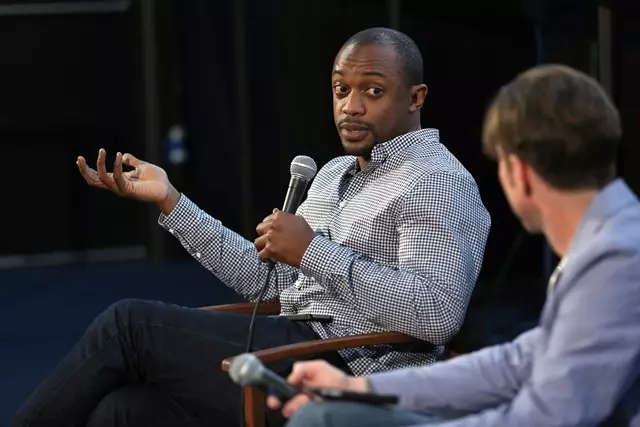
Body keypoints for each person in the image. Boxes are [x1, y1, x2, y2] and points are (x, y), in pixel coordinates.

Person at [11, 28, 490, 427]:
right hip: (293, 341)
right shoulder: (331, 174)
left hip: (350, 369)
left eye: (373, 91)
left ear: (416, 97)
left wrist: (313, 253)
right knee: (123, 411)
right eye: (341, 90)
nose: (351, 107)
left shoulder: (436, 180)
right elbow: (272, 286)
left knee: (128, 324)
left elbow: (436, 314)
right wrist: (172, 201)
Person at [270, 64, 640, 427]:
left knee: (322, 420)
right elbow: (518, 362)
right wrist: (359, 387)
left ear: (519, 174)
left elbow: (548, 415)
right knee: (329, 414)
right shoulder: (616, 240)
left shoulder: (617, 258)